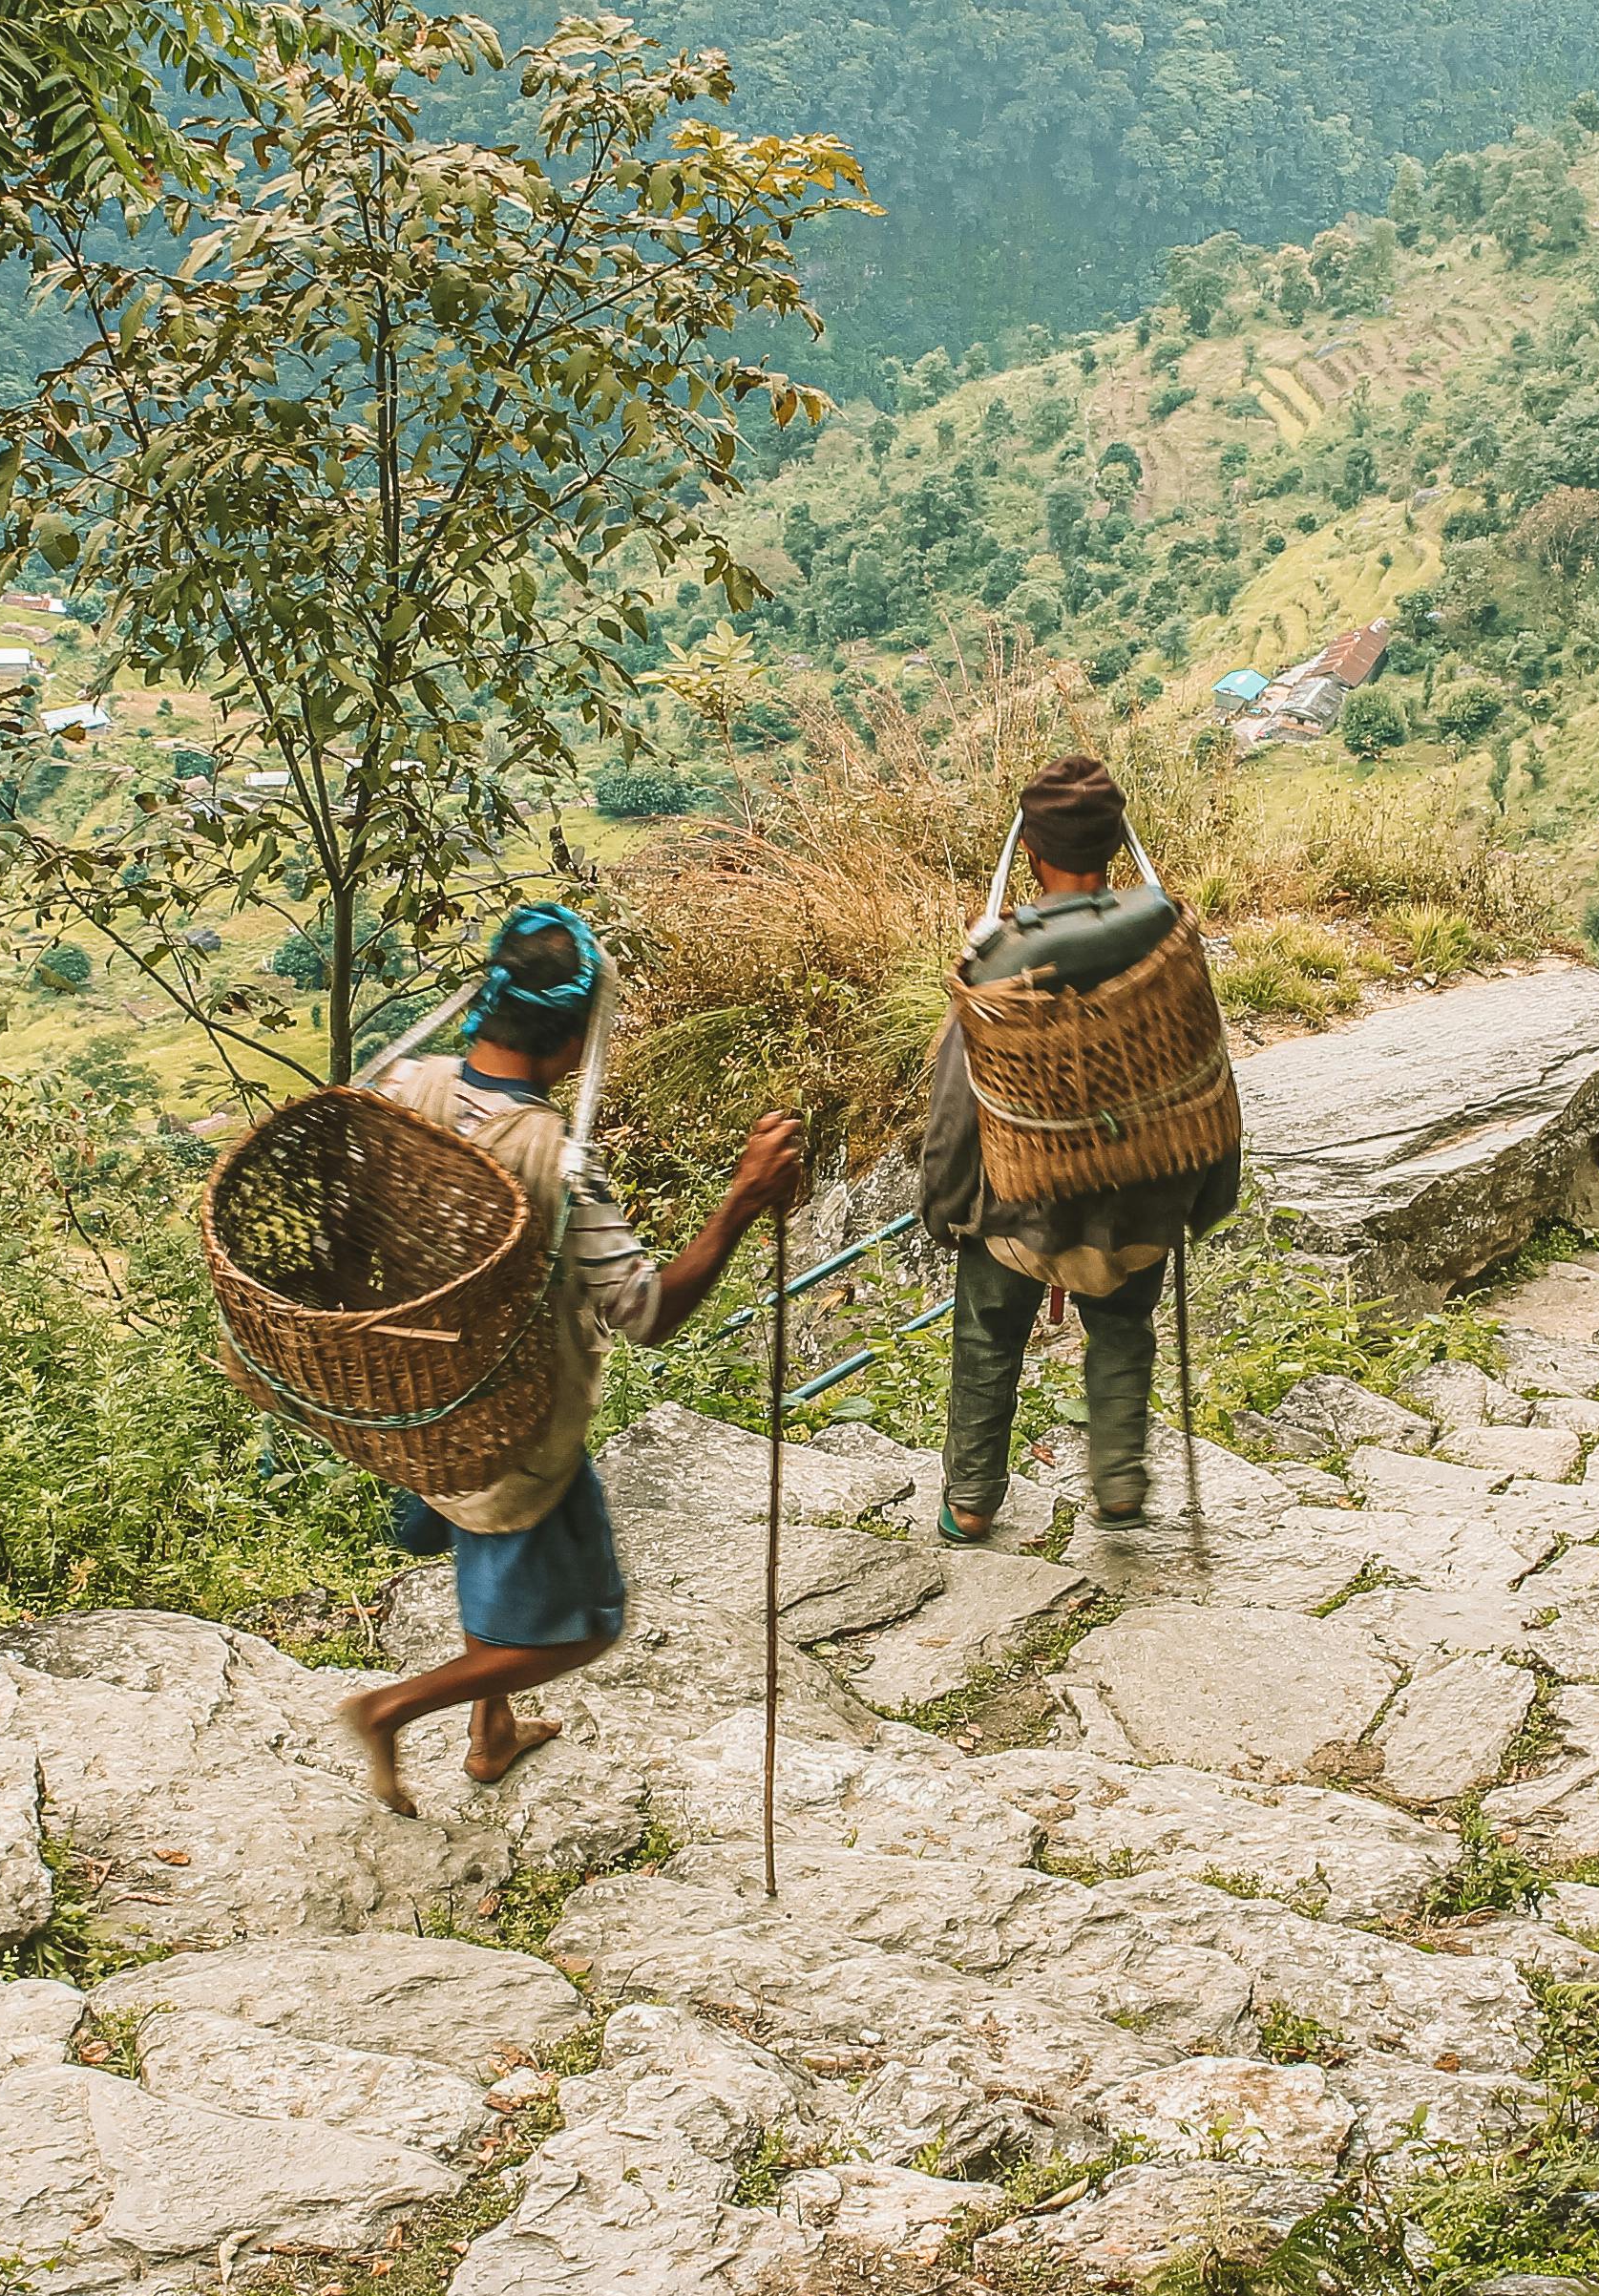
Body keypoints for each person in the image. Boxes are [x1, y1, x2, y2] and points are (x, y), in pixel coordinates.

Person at [337, 902, 808, 1812]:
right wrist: (742, 1202)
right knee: (583, 1631)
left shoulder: (401, 1089)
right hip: (515, 1425)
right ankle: (392, 1707)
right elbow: (645, 1314)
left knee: (488, 1553)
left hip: (424, 1403)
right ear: (573, 1043)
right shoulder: (559, 1166)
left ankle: (493, 1733)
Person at [917, 755, 1242, 1545]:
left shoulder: (1000, 961)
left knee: (989, 1336)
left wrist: (944, 1206)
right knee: (1124, 1329)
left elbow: (964, 1109)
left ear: (1030, 851)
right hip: (1142, 1194)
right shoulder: (1165, 937)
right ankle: (1121, 1487)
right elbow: (1208, 1071)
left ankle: (970, 1501)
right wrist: (1207, 1193)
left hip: (1021, 1211)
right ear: (1115, 847)